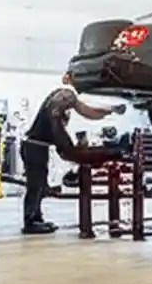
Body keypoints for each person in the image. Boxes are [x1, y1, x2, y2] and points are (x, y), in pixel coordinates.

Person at [19, 76, 126, 235]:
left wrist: (111, 109)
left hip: (37, 147)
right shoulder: (63, 97)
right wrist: (70, 149)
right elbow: (59, 130)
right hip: (34, 147)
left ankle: (36, 218)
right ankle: (30, 222)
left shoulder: (66, 98)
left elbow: (86, 111)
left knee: (40, 185)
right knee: (36, 185)